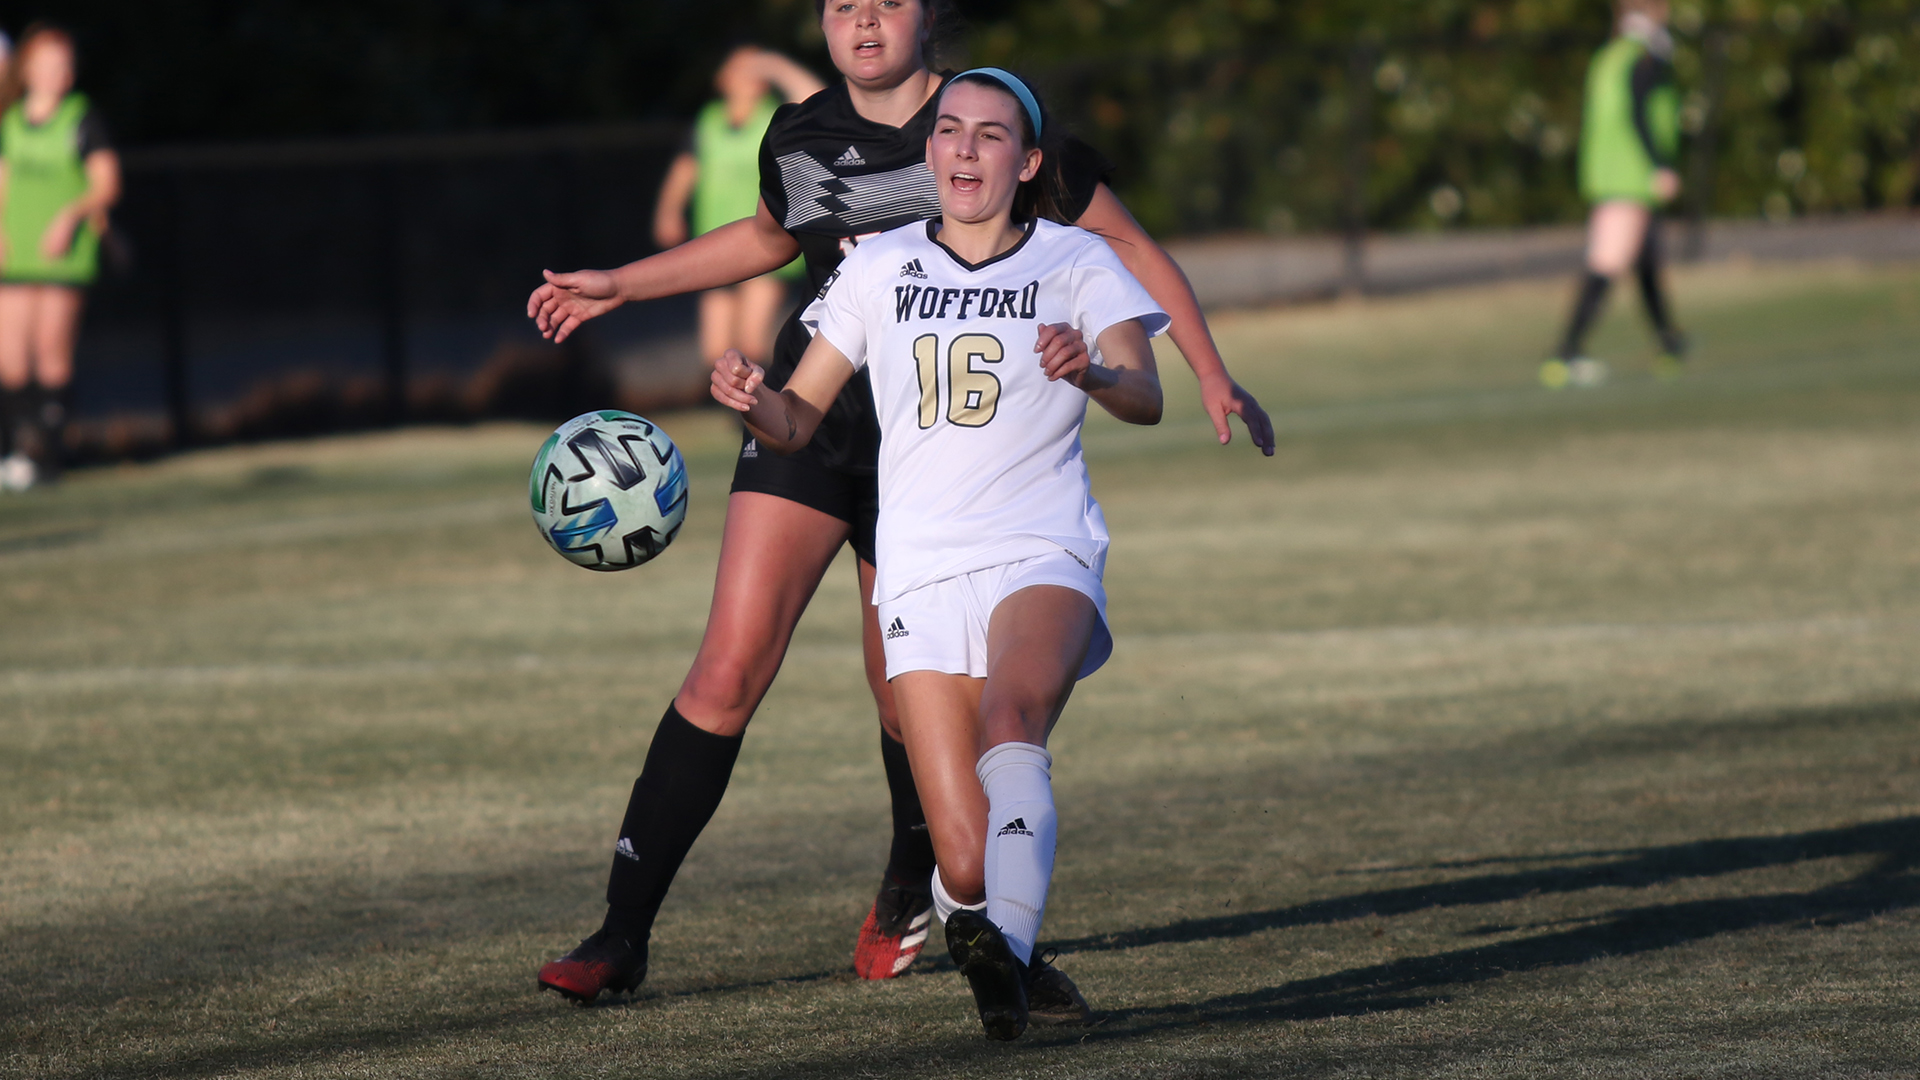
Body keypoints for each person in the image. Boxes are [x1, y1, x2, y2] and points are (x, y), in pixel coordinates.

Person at [526, 0, 1275, 1004]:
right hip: (813, 421)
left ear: (932, 16)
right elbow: (762, 236)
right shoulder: (799, 135)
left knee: (901, 694)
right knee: (726, 666)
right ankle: (621, 933)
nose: (864, 20)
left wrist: (1208, 369)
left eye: (888, 1)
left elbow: (1128, 253)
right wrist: (624, 283)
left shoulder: (1001, 131)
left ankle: (912, 890)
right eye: (842, 5)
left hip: (943, 468)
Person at [713, 67, 1165, 1038]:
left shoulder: (1076, 261)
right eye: (950, 131)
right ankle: (1011, 949)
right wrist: (759, 399)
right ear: (931, 154)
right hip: (919, 567)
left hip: (1040, 543)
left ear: (1028, 160)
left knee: (1013, 716)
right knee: (961, 865)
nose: (964, 148)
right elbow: (799, 417)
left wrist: (1094, 369)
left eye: (991, 134)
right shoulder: (876, 268)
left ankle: (1002, 958)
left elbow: (1146, 392)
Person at [1542, 0, 1686, 390]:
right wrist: (1659, 165)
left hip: (1611, 173)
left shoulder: (1609, 56)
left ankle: (1669, 340)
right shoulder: (1642, 58)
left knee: (1646, 261)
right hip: (1630, 176)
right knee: (1607, 263)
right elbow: (1638, 112)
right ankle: (1566, 352)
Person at [0, 23, 119, 490]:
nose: (54, 73)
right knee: (11, 359)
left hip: (63, 254)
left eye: (62, 65)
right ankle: (14, 449)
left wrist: (69, 218)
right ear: (26, 69)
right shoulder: (9, 124)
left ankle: (48, 458)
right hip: (16, 251)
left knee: (51, 354)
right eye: (45, 64)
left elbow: (106, 184)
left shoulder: (81, 118)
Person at [652, 46, 823, 368]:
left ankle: (757, 415)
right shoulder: (709, 120)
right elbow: (687, 168)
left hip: (765, 243)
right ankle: (737, 412)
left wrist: (773, 64)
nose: (744, 75)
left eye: (752, 70)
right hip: (716, 243)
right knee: (714, 351)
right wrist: (668, 211)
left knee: (750, 345)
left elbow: (815, 97)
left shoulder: (778, 118)